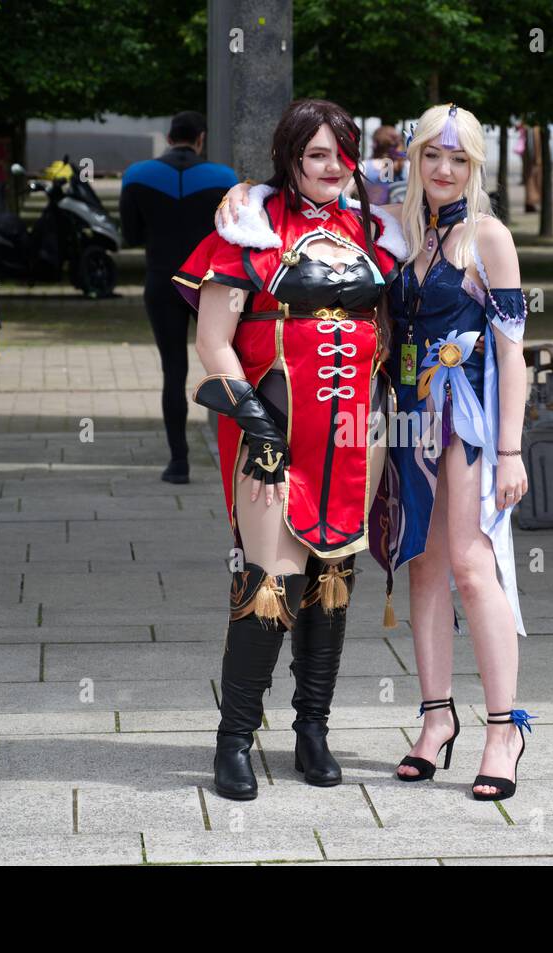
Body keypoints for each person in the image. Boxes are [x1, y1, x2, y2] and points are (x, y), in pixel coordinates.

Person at [176, 98, 403, 801]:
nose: (331, 166)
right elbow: (213, 341)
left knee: (333, 578)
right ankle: (234, 740)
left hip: (353, 431)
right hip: (272, 430)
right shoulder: (249, 225)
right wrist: (259, 427)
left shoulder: (373, 226)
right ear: (289, 160)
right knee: (269, 582)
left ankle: (313, 730)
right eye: (315, 155)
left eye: (340, 152)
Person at [377, 104, 533, 801]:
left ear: (475, 165)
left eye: (458, 159)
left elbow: (513, 351)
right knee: (423, 566)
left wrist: (511, 450)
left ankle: (505, 727)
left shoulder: (489, 238)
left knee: (473, 567)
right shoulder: (405, 232)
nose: (443, 170)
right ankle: (436, 718)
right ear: (415, 160)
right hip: (412, 417)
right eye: (431, 157)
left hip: (466, 419)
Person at [120, 111, 237, 484]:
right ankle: (241, 454)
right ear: (200, 138)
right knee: (228, 368)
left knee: (173, 370)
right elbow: (233, 234)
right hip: (211, 285)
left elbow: (131, 235)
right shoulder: (224, 178)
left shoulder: (137, 175)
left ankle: (178, 462)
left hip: (162, 281)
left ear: (169, 138)